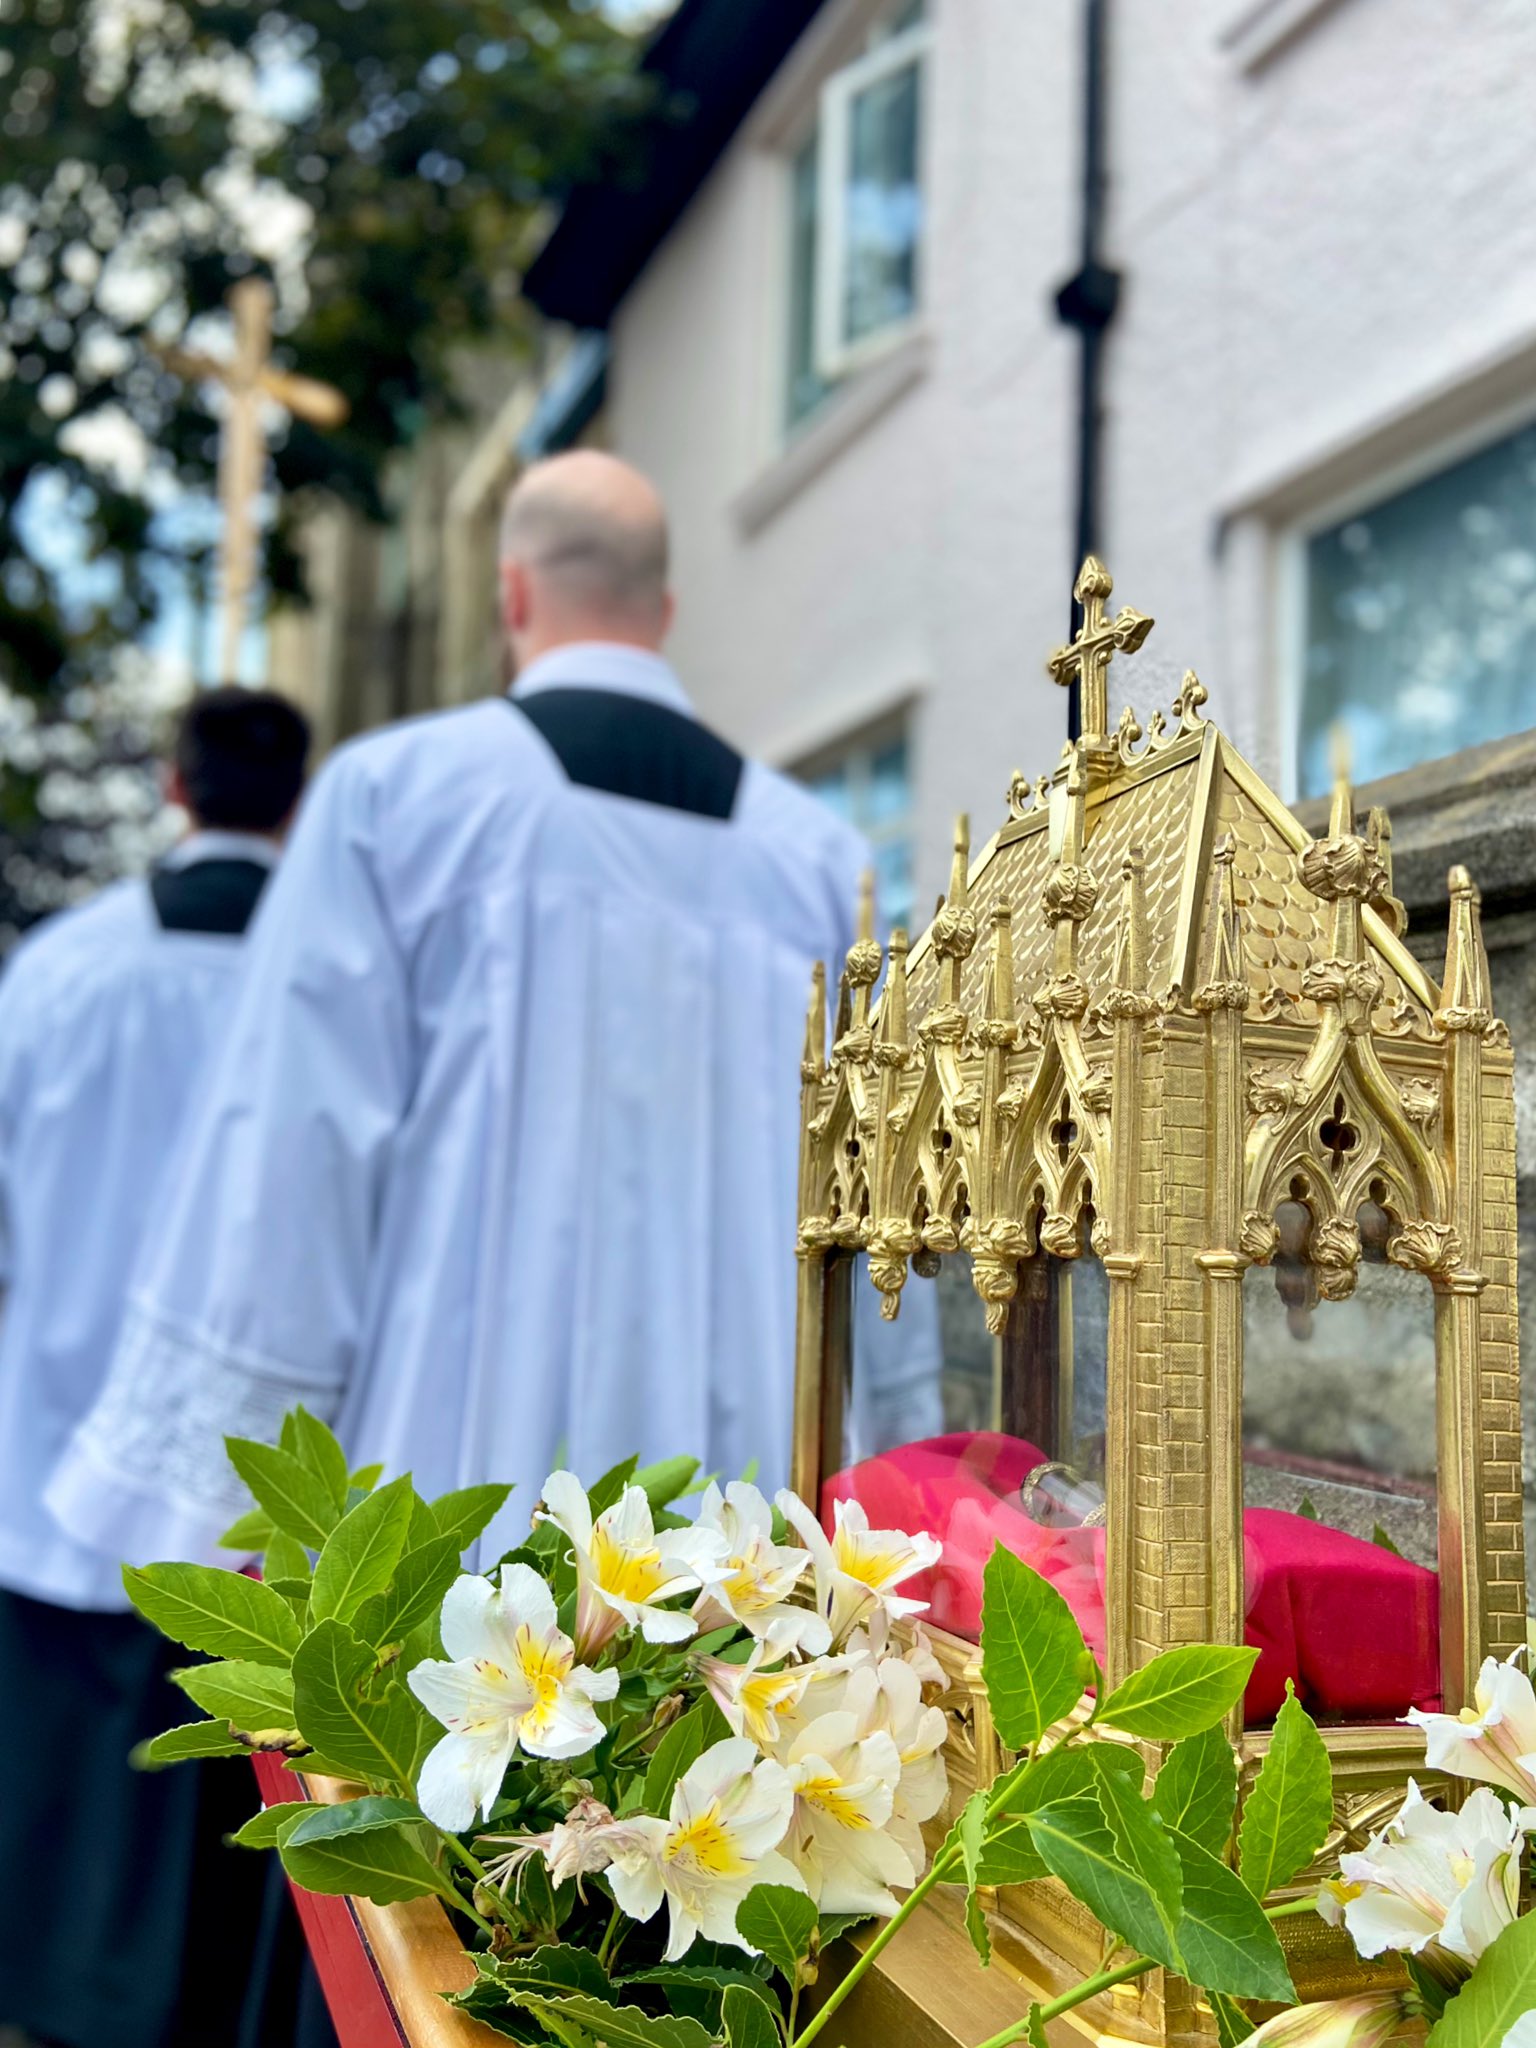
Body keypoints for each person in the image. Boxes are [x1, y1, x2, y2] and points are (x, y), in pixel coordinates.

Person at [48, 451, 867, 1576]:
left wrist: (231, 1485)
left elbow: (296, 1153)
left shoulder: (399, 796)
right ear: (664, 610)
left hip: (462, 1481)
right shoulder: (819, 855)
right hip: (754, 1502)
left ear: (513, 595)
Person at [0, 688, 310, 2048]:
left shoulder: (60, 969)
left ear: (176, 788)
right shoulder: (338, 981)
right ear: (295, 802)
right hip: (270, 1496)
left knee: (66, 1851)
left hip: (60, 1462)